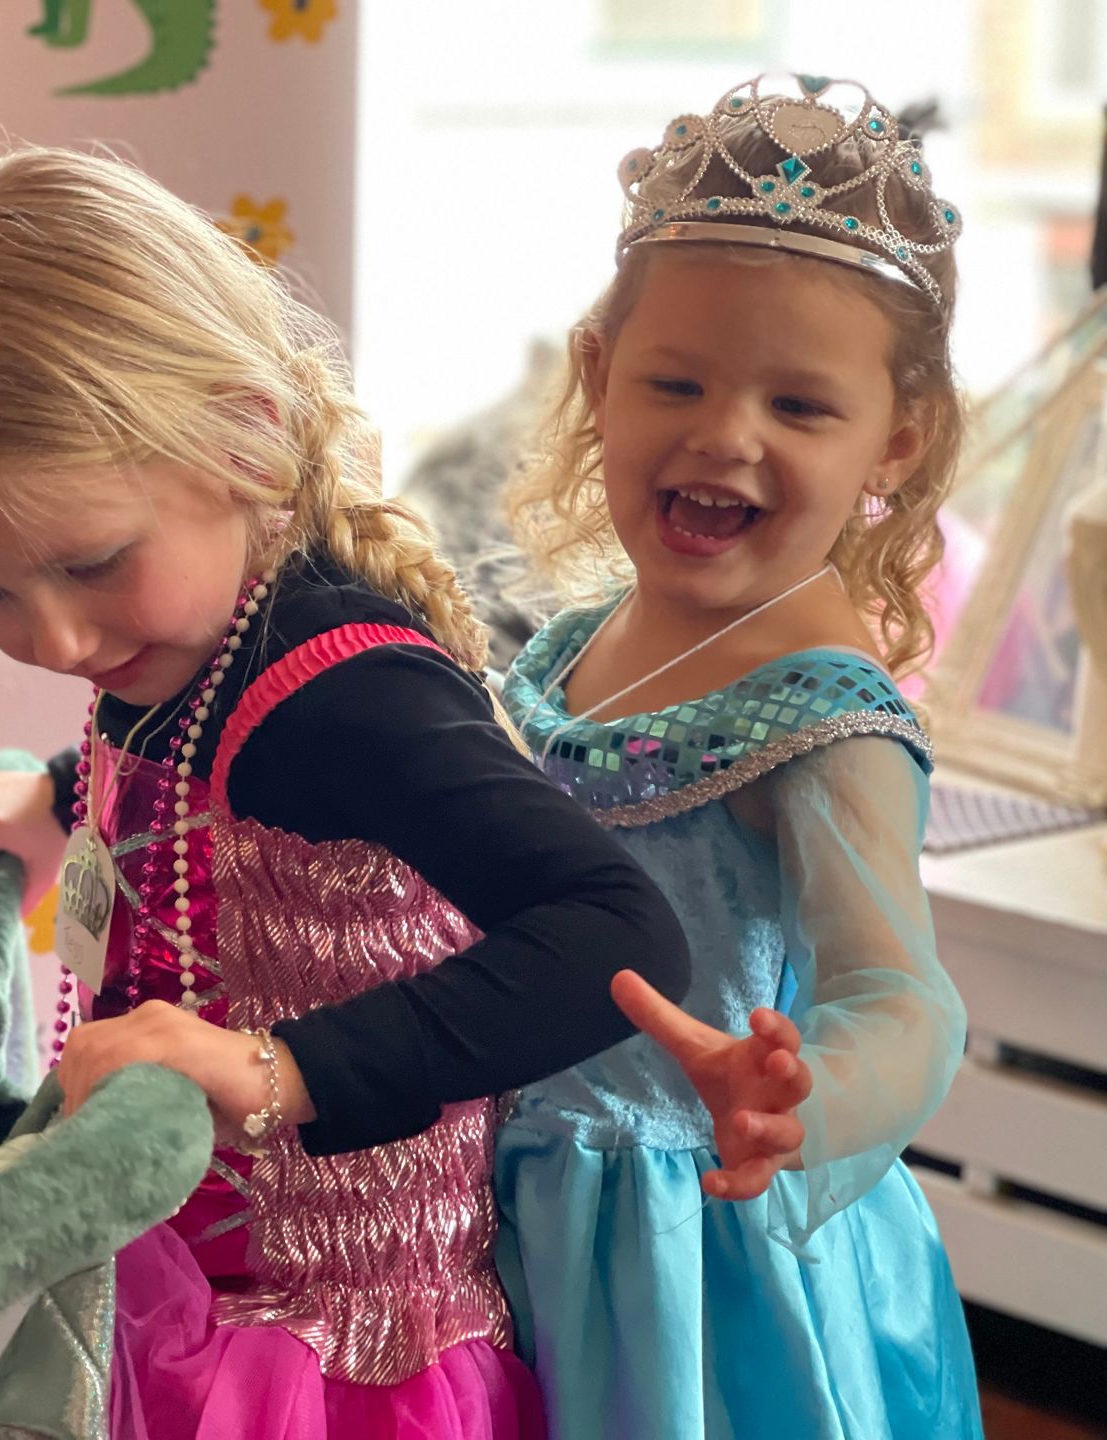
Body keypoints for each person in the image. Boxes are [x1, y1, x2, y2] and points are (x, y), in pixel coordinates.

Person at [0, 143, 700, 1439]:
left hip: (330, 1361)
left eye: (91, 564)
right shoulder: (187, 629)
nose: (57, 640)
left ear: (248, 433)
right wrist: (65, 800)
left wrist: (282, 1065)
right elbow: (208, 786)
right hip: (176, 1284)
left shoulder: (350, 695)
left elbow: (621, 933)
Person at [498, 74, 982, 1439]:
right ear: (598, 377)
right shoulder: (572, 645)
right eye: (676, 381)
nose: (726, 433)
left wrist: (805, 1099)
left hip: (698, 1262)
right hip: (509, 1204)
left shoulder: (825, 716)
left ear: (899, 437)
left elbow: (904, 1000)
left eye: (801, 407)